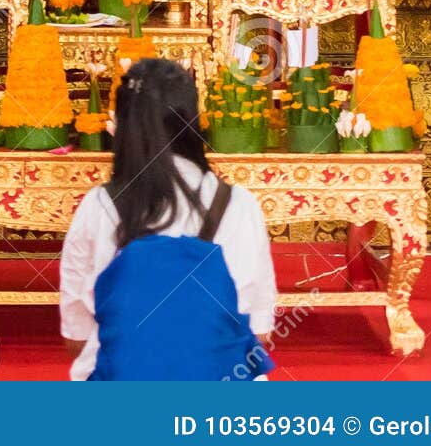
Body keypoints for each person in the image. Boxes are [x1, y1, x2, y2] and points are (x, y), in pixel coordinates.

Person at [59, 59, 276, 381]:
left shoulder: (99, 205)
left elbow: (75, 336)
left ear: (121, 126)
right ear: (195, 121)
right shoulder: (239, 204)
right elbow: (260, 332)